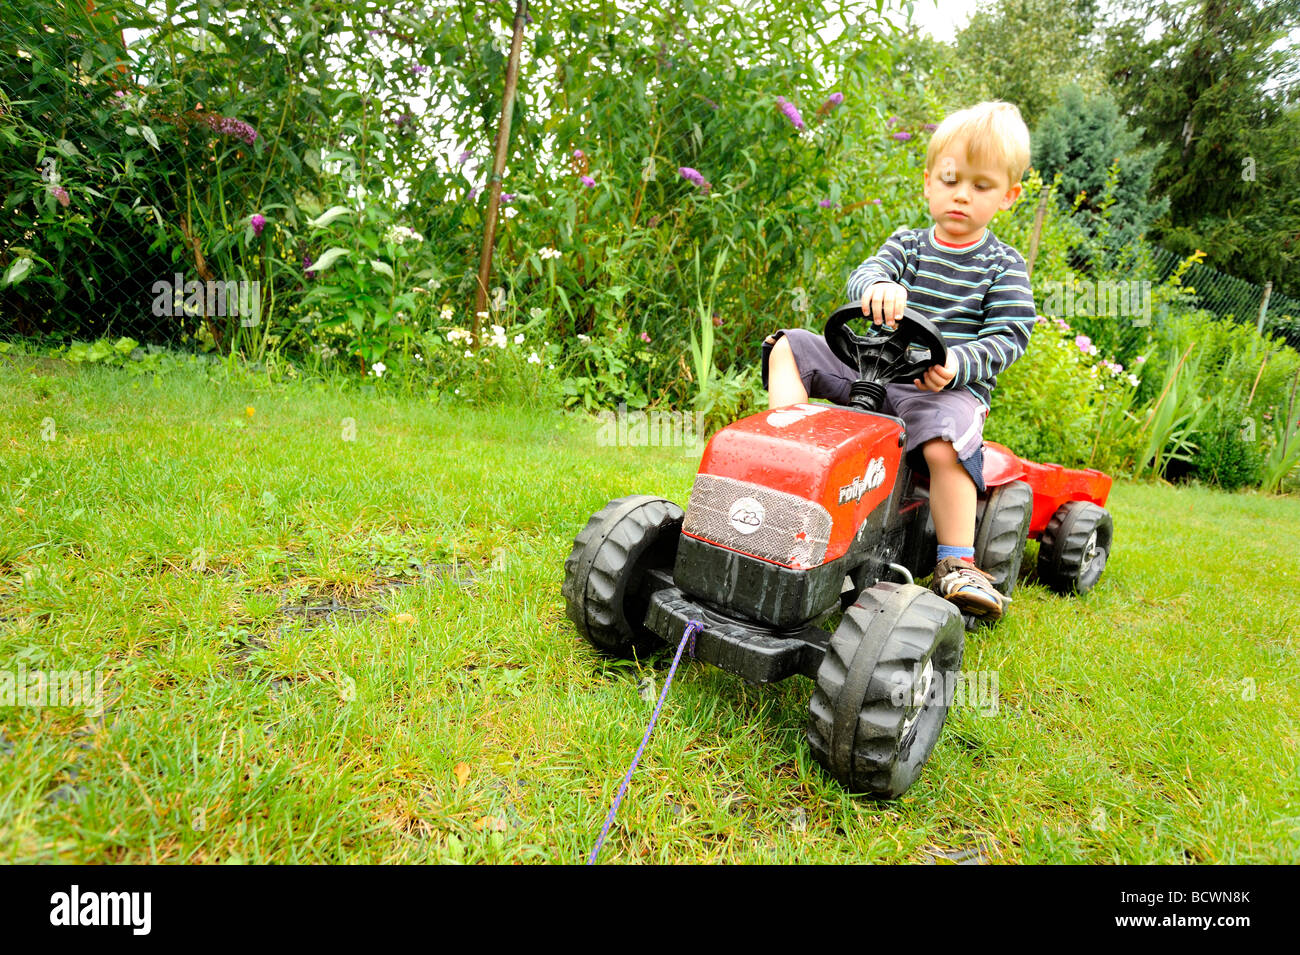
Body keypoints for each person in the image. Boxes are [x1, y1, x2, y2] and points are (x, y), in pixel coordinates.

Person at [760, 101, 1037, 620]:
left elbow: (1011, 335)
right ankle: (787, 461)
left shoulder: (1003, 266)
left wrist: (958, 361)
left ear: (1008, 196)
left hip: (943, 393)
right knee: (789, 346)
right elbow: (864, 276)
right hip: (873, 374)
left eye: (980, 186)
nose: (961, 194)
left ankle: (956, 563)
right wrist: (880, 286)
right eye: (951, 179)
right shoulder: (906, 246)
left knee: (942, 444)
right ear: (928, 182)